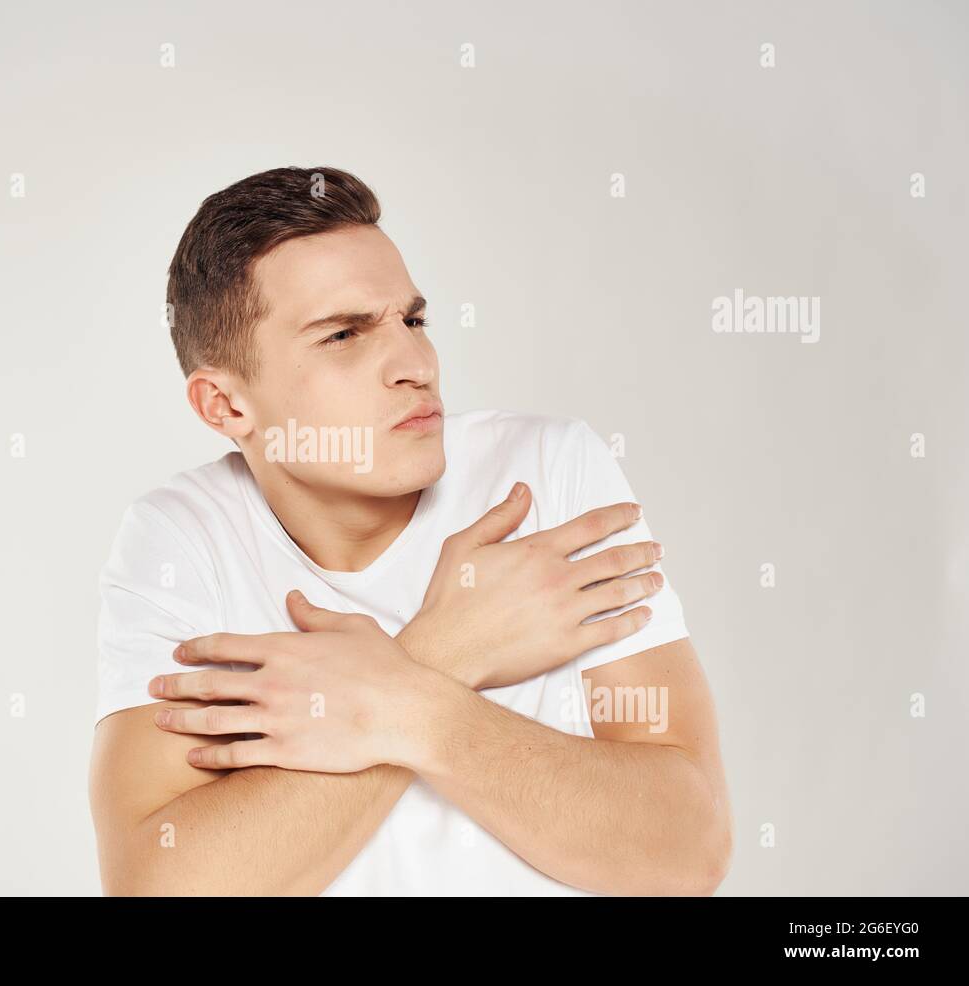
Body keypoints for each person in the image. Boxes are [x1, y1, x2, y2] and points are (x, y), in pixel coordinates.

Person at [87, 166, 732, 896]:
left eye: (412, 320)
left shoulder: (547, 475)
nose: (416, 365)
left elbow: (688, 848)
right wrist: (449, 649)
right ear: (226, 406)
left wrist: (412, 707)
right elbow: (158, 886)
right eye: (343, 335)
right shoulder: (183, 539)